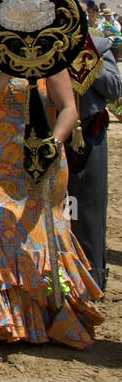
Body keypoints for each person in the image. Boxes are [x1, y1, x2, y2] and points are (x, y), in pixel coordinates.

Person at [0, 64, 102, 347]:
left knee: (40, 234)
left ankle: (47, 313)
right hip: (0, 162)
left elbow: (68, 109)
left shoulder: (51, 62)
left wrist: (55, 142)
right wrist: (10, 71)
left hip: (43, 161)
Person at [67, 32, 121, 292]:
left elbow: (113, 88)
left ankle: (92, 277)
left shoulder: (98, 45)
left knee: (87, 209)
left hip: (90, 134)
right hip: (51, 134)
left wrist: (84, 62)